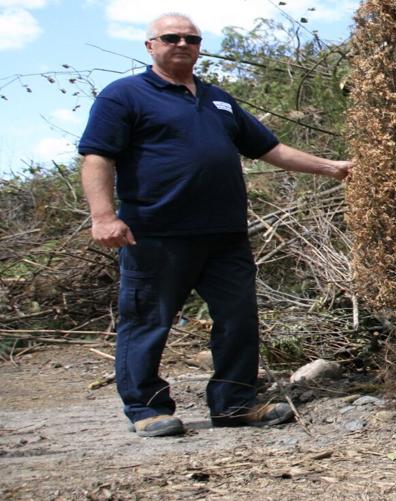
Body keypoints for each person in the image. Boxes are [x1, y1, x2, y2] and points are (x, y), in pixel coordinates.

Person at [78, 13, 355, 437]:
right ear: (151, 45)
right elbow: (98, 156)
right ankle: (146, 409)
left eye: (192, 38)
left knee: (238, 319)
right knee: (147, 322)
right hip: (157, 233)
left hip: (225, 235)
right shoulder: (125, 96)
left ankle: (233, 404)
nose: (183, 44)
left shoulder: (217, 99)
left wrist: (332, 167)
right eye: (171, 37)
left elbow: (269, 147)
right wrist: (103, 216)